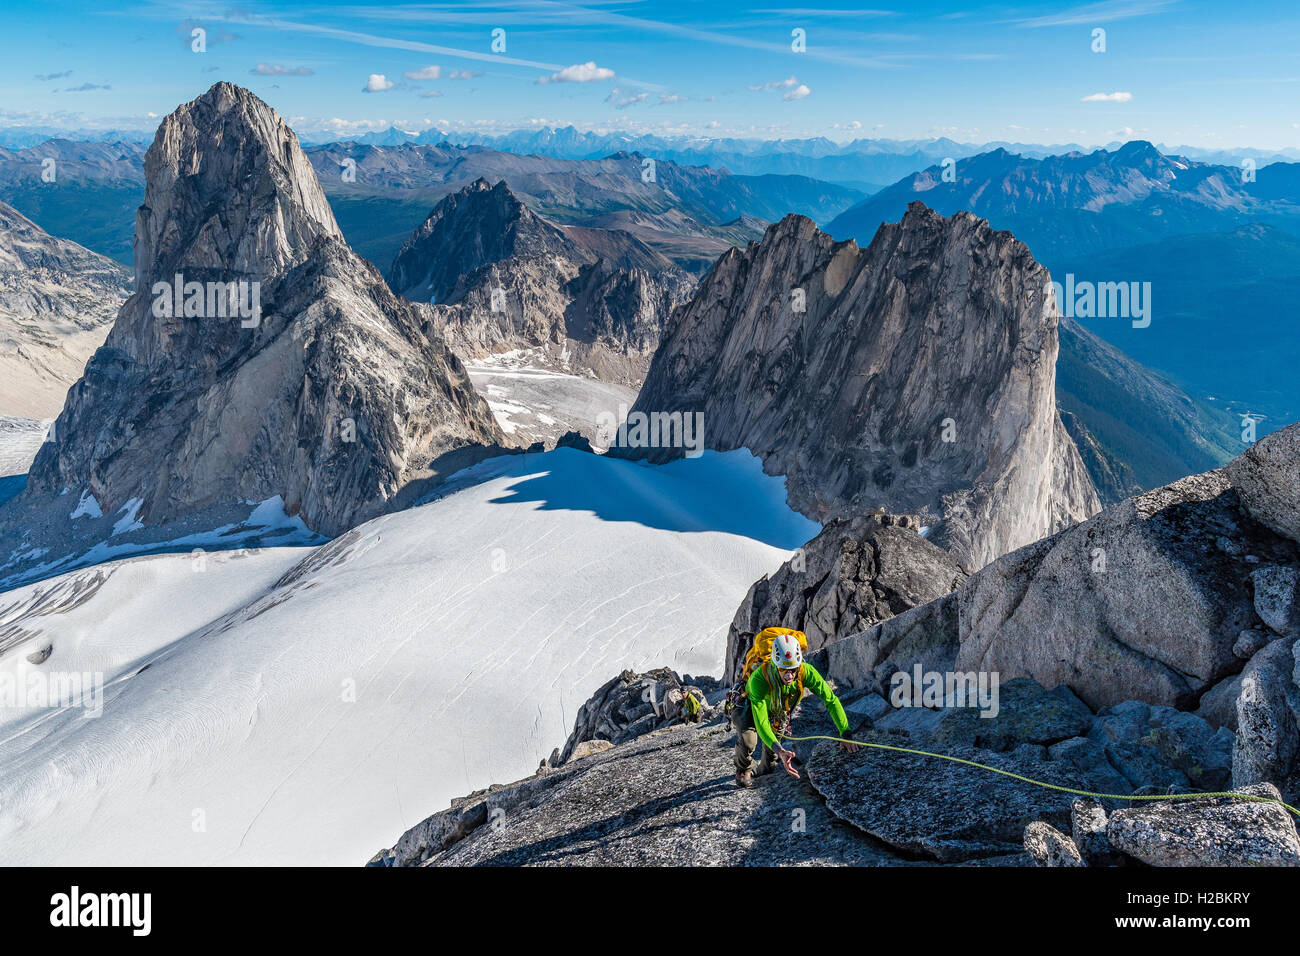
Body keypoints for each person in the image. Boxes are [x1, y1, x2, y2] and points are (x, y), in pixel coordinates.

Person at [733, 632, 859, 787]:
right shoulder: (759, 678)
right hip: (749, 708)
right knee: (749, 740)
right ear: (775, 664)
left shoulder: (806, 672)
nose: (789, 675)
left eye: (793, 669)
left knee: (770, 760)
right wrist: (780, 749)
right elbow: (761, 721)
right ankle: (743, 770)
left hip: (777, 712)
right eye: (784, 669)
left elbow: (830, 700)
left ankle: (763, 771)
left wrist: (845, 733)